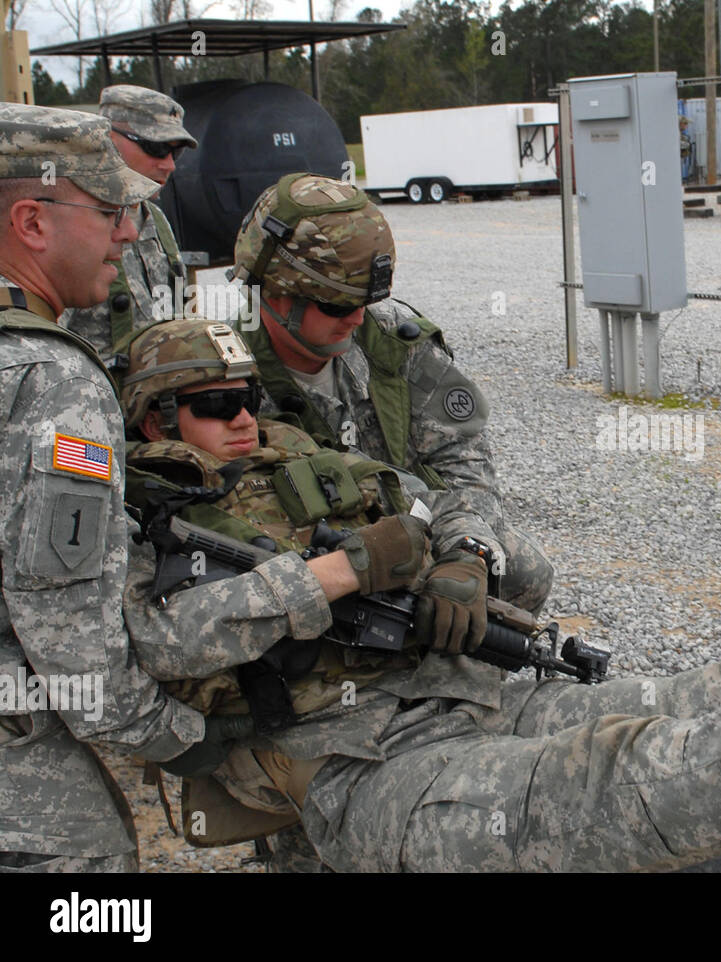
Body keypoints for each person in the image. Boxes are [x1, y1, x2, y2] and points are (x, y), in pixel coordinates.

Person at [119, 319, 721, 873]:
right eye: (216, 405)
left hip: (458, 694)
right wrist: (342, 573)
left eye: (250, 395)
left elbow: (443, 498)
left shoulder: (299, 459)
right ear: (157, 415)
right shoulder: (139, 516)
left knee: (709, 692)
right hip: (354, 760)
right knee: (612, 785)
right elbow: (162, 640)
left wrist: (464, 558)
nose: (246, 417)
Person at [0, 103, 264, 873]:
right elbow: (68, 636)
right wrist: (175, 736)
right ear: (32, 221)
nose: (129, 232)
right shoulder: (52, 382)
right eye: (111, 211)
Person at [228, 173, 552, 618]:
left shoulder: (394, 341)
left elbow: (465, 463)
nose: (357, 318)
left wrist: (467, 553)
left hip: (413, 522)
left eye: (367, 299)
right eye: (338, 306)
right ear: (274, 292)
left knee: (521, 570)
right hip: (297, 550)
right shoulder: (219, 367)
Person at [63, 85, 194, 356]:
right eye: (156, 148)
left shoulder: (154, 219)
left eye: (176, 152)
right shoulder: (72, 222)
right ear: (108, 138)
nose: (169, 165)